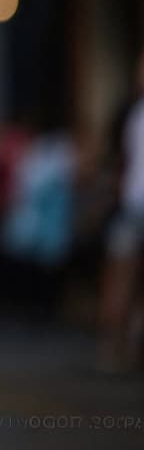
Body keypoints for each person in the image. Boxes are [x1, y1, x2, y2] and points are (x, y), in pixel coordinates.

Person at [97, 57, 144, 371]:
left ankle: (113, 350)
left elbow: (119, 162)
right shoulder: (133, 113)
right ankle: (123, 348)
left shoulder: (132, 113)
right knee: (123, 282)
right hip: (132, 205)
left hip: (131, 204)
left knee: (121, 280)